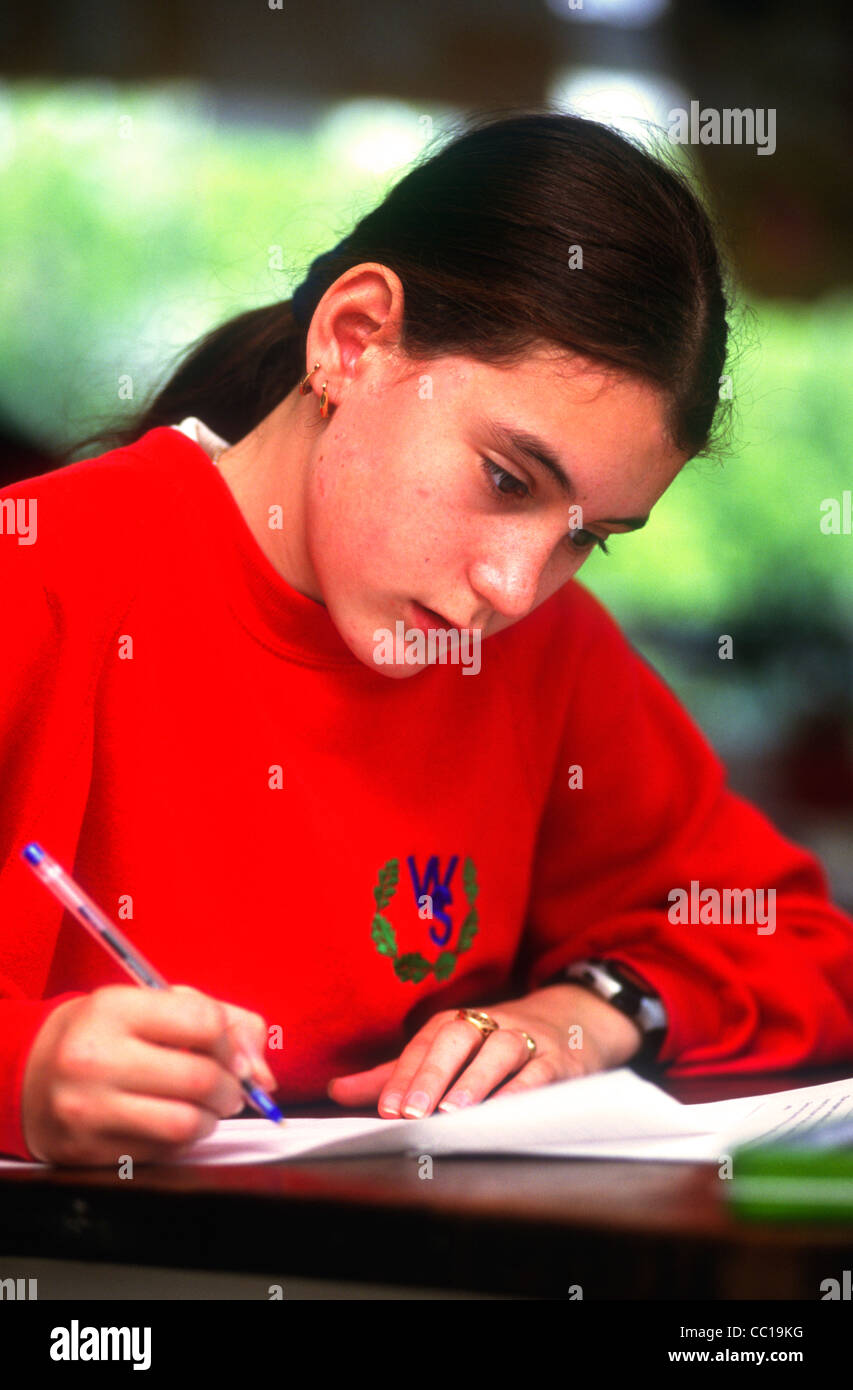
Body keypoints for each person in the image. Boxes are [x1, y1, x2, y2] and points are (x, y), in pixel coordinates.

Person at [2, 111, 851, 1168]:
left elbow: (794, 941)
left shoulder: (547, 651)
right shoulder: (39, 576)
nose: (511, 584)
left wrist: (583, 1014)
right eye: (505, 480)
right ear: (353, 341)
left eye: (587, 536)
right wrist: (25, 1068)